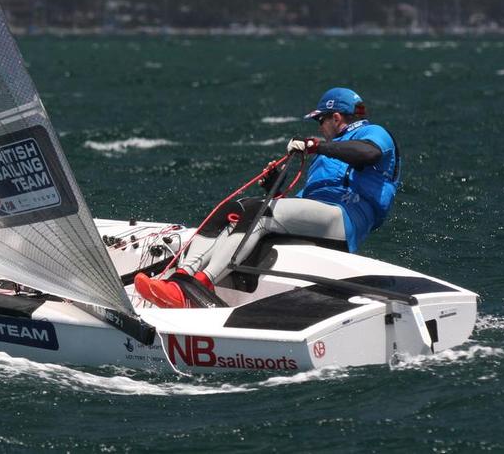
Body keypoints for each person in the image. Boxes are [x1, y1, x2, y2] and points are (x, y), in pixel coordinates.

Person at [134, 87, 401, 309]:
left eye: (321, 121)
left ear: (337, 117)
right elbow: (301, 206)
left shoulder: (372, 133)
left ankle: (202, 283)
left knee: (256, 212)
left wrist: (316, 145)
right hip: (324, 213)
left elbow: (368, 154)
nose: (320, 128)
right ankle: (181, 279)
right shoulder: (326, 154)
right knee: (234, 208)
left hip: (347, 217)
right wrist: (274, 186)